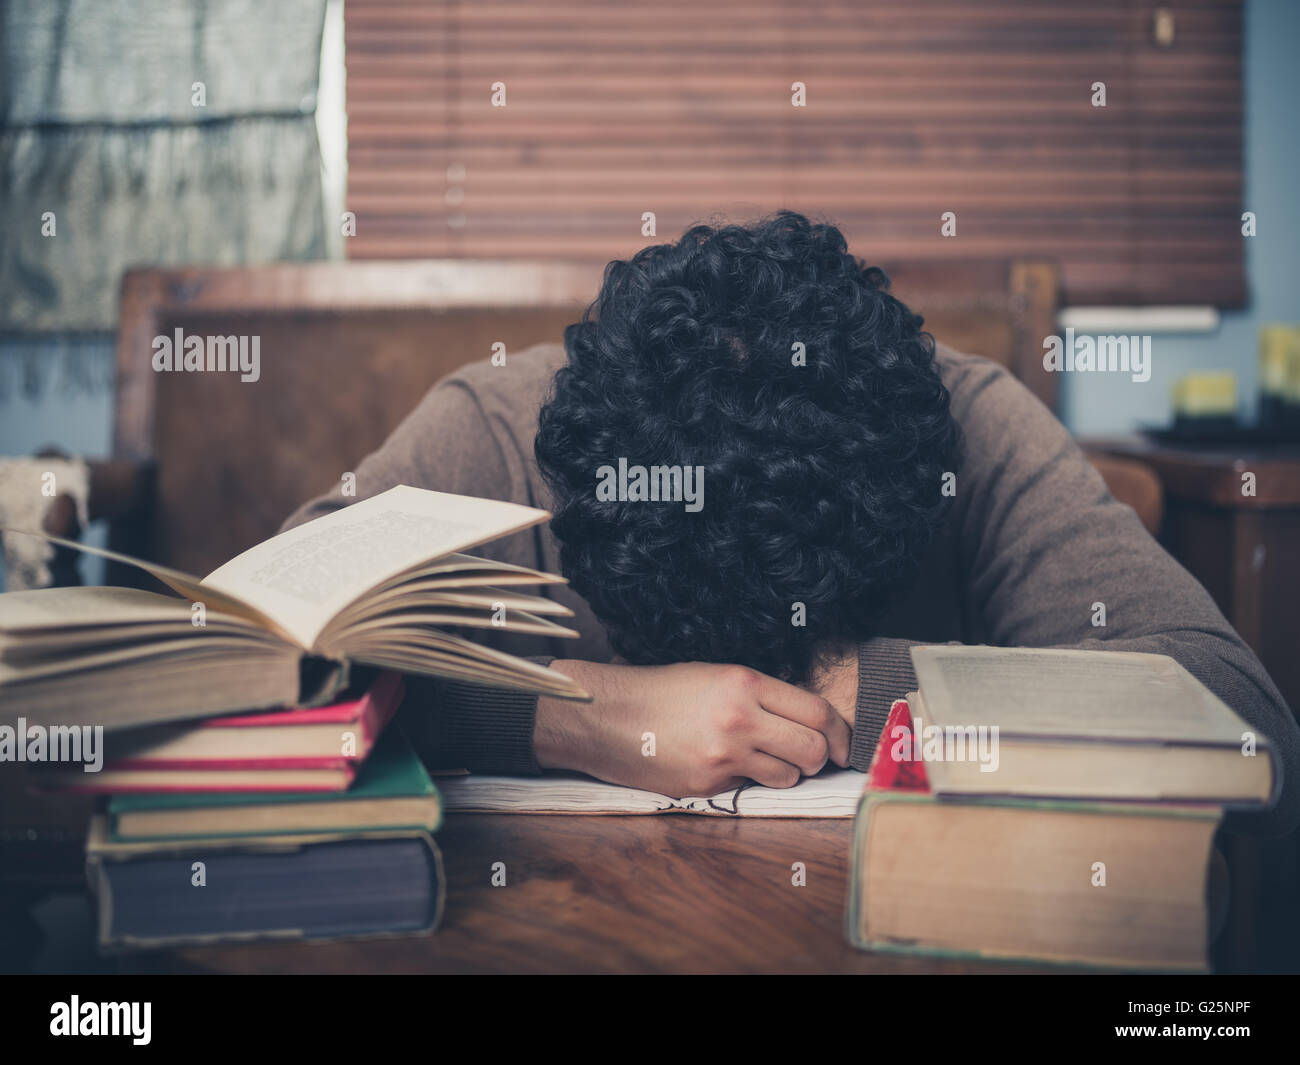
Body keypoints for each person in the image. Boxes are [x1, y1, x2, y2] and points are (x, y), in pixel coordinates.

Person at [281, 211, 1299, 836]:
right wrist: (570, 710)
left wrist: (852, 693)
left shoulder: (967, 426)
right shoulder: (500, 431)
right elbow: (250, 654)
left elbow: (1243, 721)